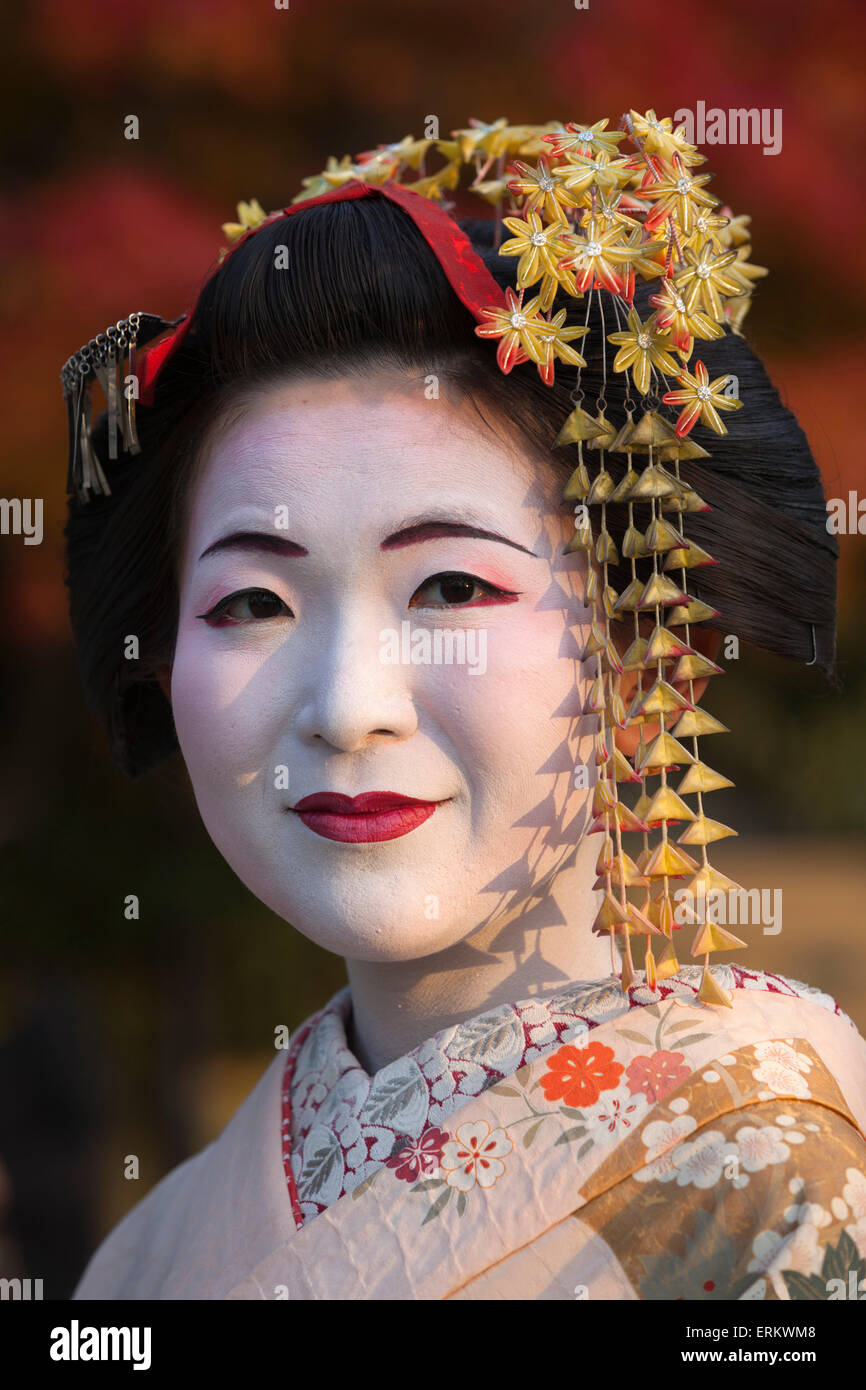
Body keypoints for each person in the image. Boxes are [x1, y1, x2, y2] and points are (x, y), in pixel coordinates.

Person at [62, 116, 866, 1300]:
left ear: (641, 630)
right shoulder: (147, 1256)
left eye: (449, 587)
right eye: (251, 603)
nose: (348, 709)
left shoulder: (774, 1184)